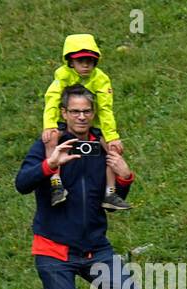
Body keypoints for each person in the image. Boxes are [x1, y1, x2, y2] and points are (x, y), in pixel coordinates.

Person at [15, 83, 149, 289]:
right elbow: (22, 183)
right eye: (74, 111)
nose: (80, 116)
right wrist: (50, 164)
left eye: (86, 111)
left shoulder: (101, 145)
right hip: (54, 252)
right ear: (63, 113)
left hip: (95, 249)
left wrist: (125, 177)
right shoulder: (49, 143)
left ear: (94, 113)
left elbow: (107, 201)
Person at [41, 34, 130, 211]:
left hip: (93, 123)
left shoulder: (101, 79)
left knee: (113, 149)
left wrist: (112, 136)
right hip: (63, 121)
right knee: (51, 139)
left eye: (90, 60)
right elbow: (52, 99)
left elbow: (105, 109)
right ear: (70, 62)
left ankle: (110, 193)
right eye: (80, 60)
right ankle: (56, 184)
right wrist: (49, 125)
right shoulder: (62, 74)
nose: (86, 65)